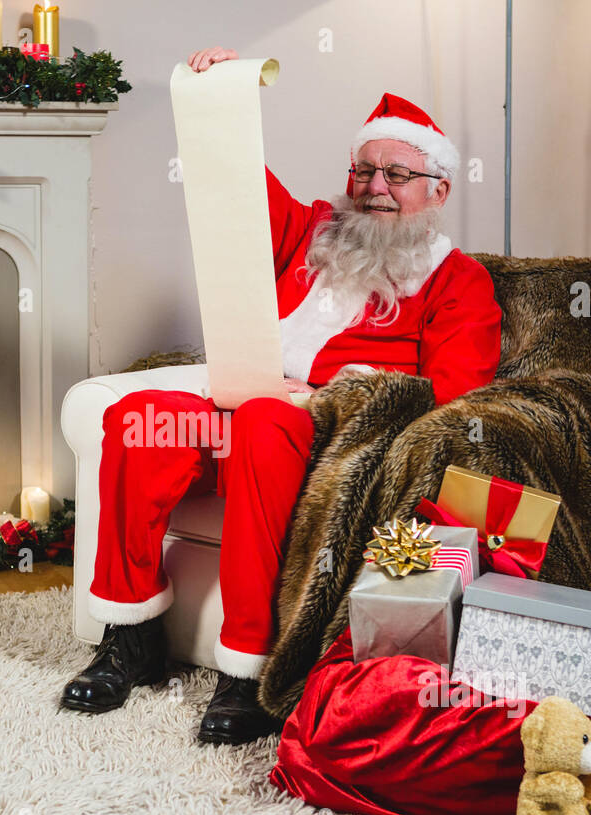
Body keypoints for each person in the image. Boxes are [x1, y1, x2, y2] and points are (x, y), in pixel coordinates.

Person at [60, 45, 503, 744]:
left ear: (438, 190)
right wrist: (224, 93)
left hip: (326, 438)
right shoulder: (308, 232)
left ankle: (247, 672)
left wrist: (327, 398)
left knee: (268, 420)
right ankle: (131, 634)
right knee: (138, 417)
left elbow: (455, 401)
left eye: (397, 173)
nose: (374, 186)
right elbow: (231, 180)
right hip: (235, 420)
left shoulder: (459, 283)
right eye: (363, 169)